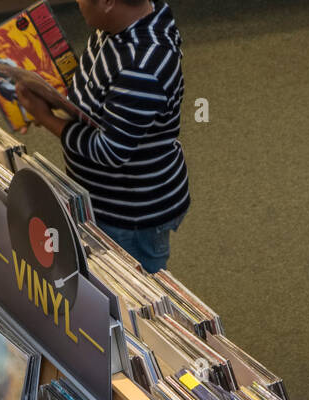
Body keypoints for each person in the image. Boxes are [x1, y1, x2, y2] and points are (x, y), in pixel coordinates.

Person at [17, 1, 189, 273]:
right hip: (103, 199)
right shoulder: (114, 25)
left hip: (131, 214)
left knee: (134, 289)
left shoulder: (142, 68)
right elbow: (97, 93)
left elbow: (109, 150)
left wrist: (46, 118)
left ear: (109, 3)